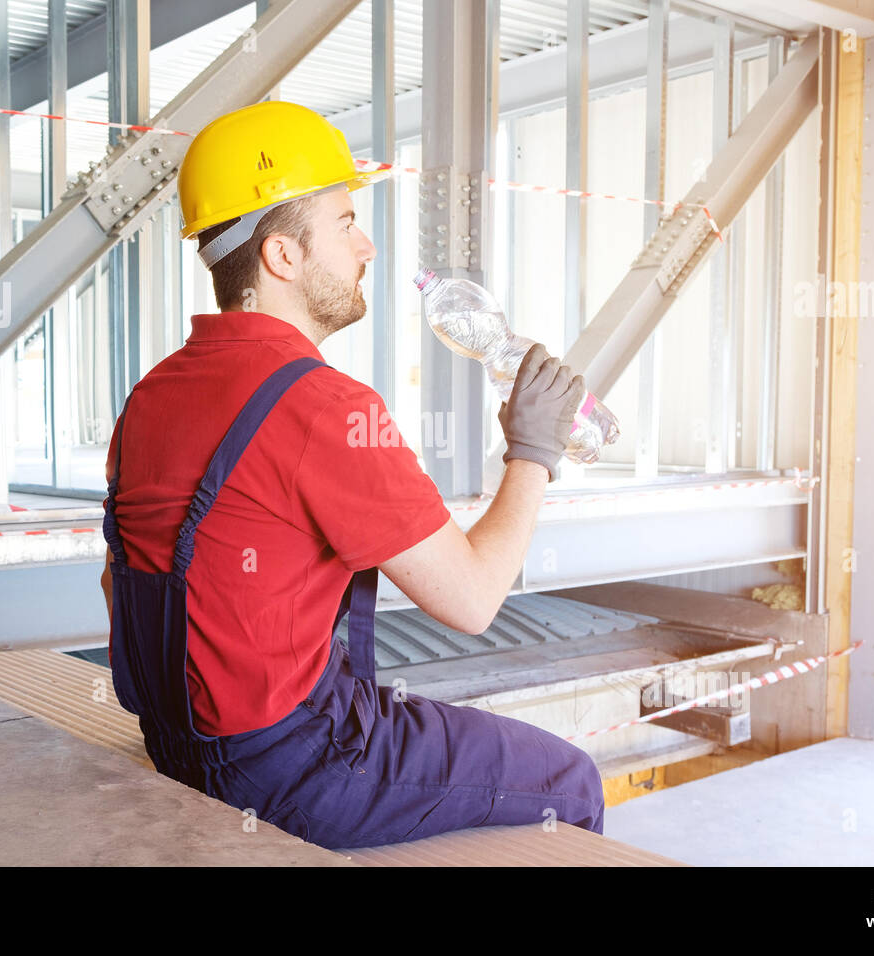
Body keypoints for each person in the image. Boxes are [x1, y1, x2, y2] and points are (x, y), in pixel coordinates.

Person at [100, 100, 604, 849]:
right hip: (297, 770)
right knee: (571, 781)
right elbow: (472, 599)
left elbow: (121, 585)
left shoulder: (152, 395)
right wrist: (533, 451)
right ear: (282, 256)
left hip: (175, 746)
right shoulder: (324, 408)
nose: (365, 246)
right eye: (344, 224)